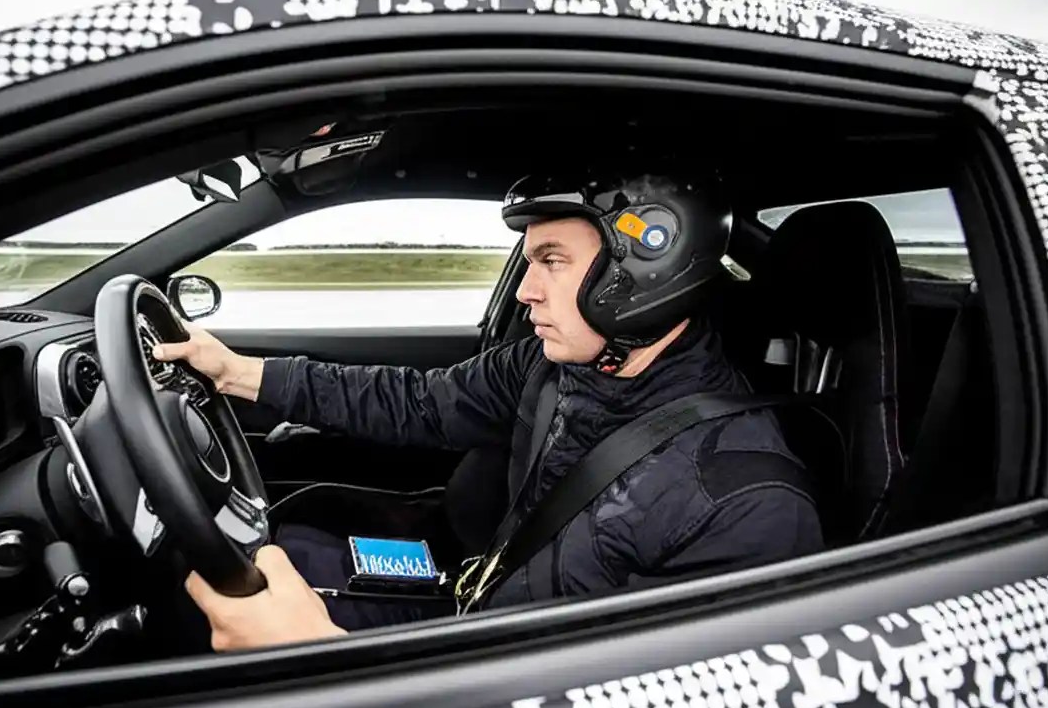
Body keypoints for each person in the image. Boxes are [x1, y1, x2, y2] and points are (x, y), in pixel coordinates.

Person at [155, 168, 824, 652]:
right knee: (281, 552)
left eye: (551, 262)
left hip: (500, 667)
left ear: (641, 273)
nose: (527, 292)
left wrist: (319, 655)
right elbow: (416, 403)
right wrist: (239, 372)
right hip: (474, 601)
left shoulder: (745, 501)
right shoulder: (554, 367)